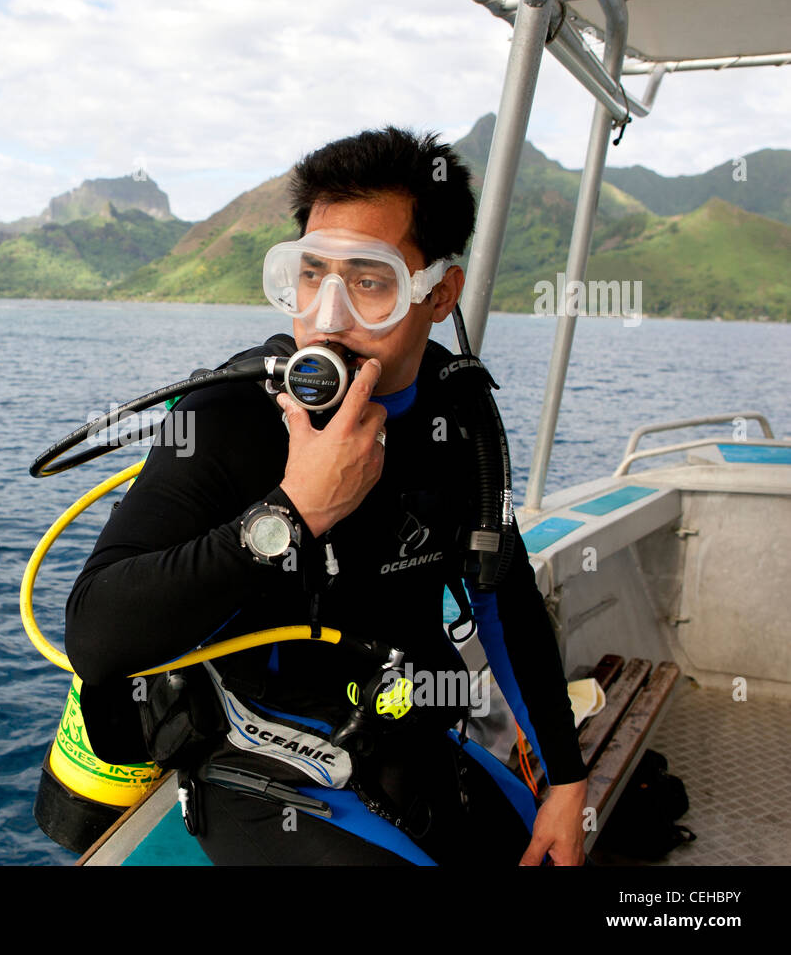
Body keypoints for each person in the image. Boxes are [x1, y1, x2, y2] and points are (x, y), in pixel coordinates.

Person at [64, 127, 588, 865]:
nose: (329, 317)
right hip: (262, 769)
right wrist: (293, 512)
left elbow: (505, 599)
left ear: (438, 293)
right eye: (311, 276)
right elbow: (95, 633)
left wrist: (566, 779)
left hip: (411, 734)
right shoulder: (229, 417)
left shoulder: (459, 418)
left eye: (369, 283)